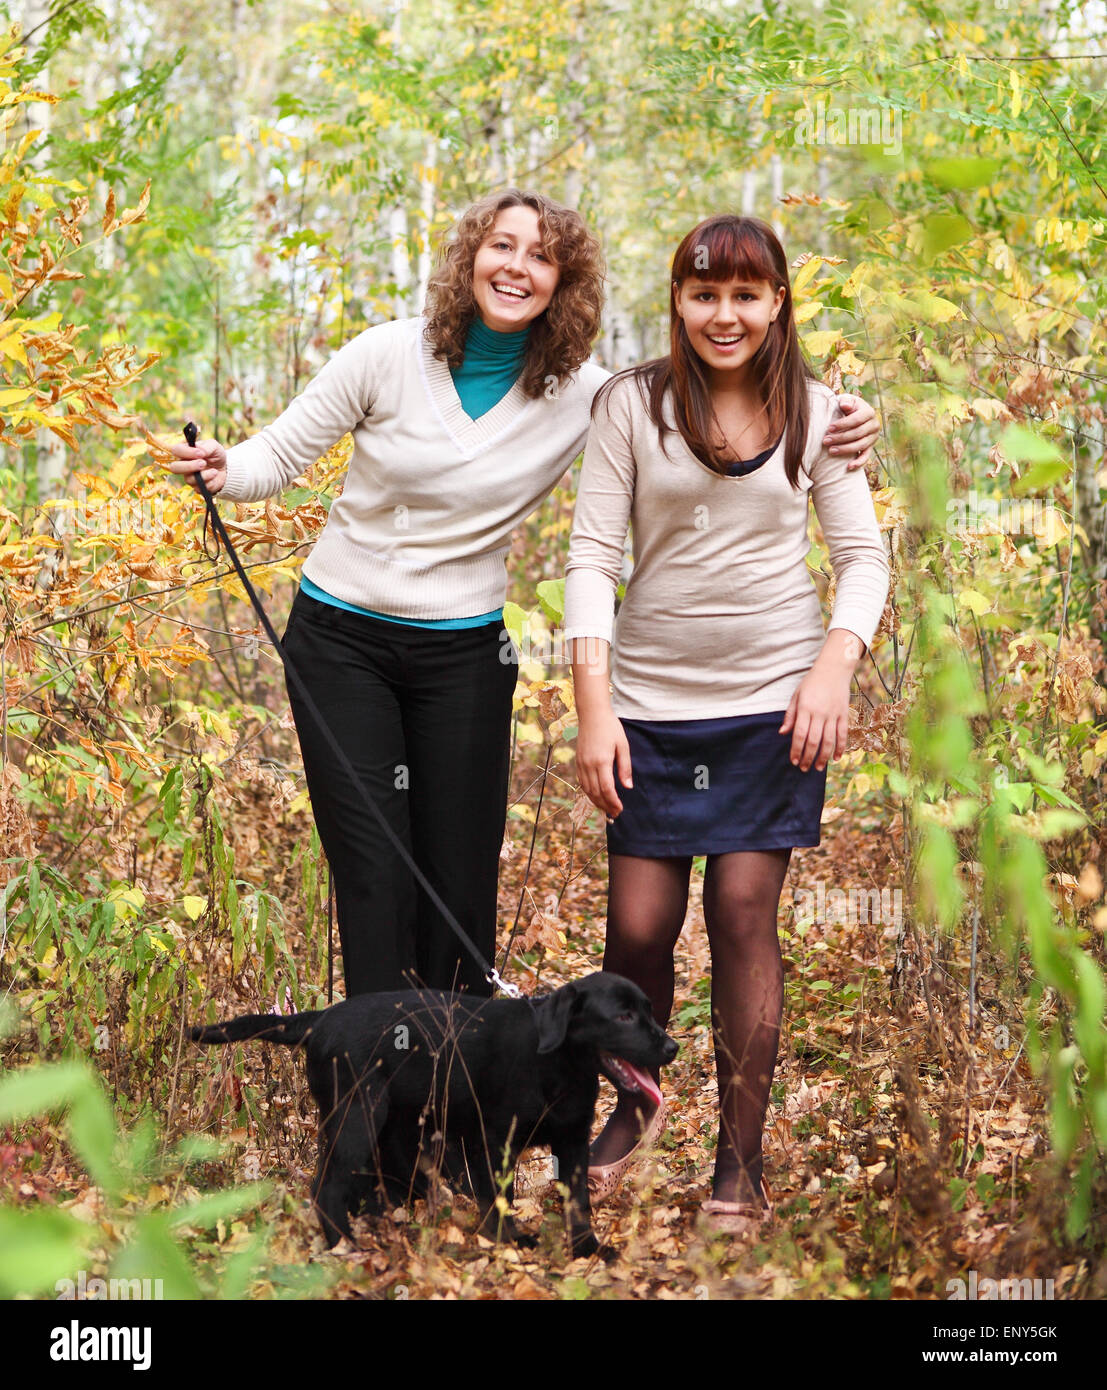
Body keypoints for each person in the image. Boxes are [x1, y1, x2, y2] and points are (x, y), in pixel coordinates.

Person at [163, 190, 881, 1002]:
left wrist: (845, 416)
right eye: (502, 246)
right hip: (340, 643)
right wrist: (224, 468)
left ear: (562, 284)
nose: (516, 267)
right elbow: (275, 457)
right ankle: (375, 1096)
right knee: (373, 873)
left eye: (541, 256)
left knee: (460, 878)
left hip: (464, 653)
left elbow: (711, 404)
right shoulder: (385, 354)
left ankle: (459, 1102)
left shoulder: (590, 395)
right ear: (471, 257)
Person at [565, 214, 890, 1233]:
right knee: (640, 929)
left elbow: (864, 557)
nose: (724, 314)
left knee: (744, 911)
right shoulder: (632, 405)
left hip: (772, 706)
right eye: (704, 295)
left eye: (746, 295)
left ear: (778, 303)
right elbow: (588, 558)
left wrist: (834, 668)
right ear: (678, 301)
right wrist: (593, 708)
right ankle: (636, 1100)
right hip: (652, 710)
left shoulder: (821, 413)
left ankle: (739, 1167)